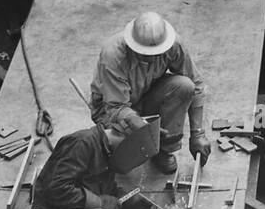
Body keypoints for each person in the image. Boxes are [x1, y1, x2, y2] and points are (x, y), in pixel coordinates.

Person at [90, 12, 210, 175]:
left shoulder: (173, 44)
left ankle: (163, 150)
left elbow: (196, 85)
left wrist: (197, 134)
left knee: (184, 86)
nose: (152, 59)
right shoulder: (113, 54)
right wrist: (143, 128)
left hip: (145, 95)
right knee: (122, 163)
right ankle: (131, 146)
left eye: (157, 54)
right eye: (145, 54)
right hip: (111, 109)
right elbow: (117, 107)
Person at [27, 122, 164, 209]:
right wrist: (99, 202)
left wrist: (128, 201)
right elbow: (55, 189)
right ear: (126, 142)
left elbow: (107, 191)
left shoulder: (109, 152)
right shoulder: (81, 142)